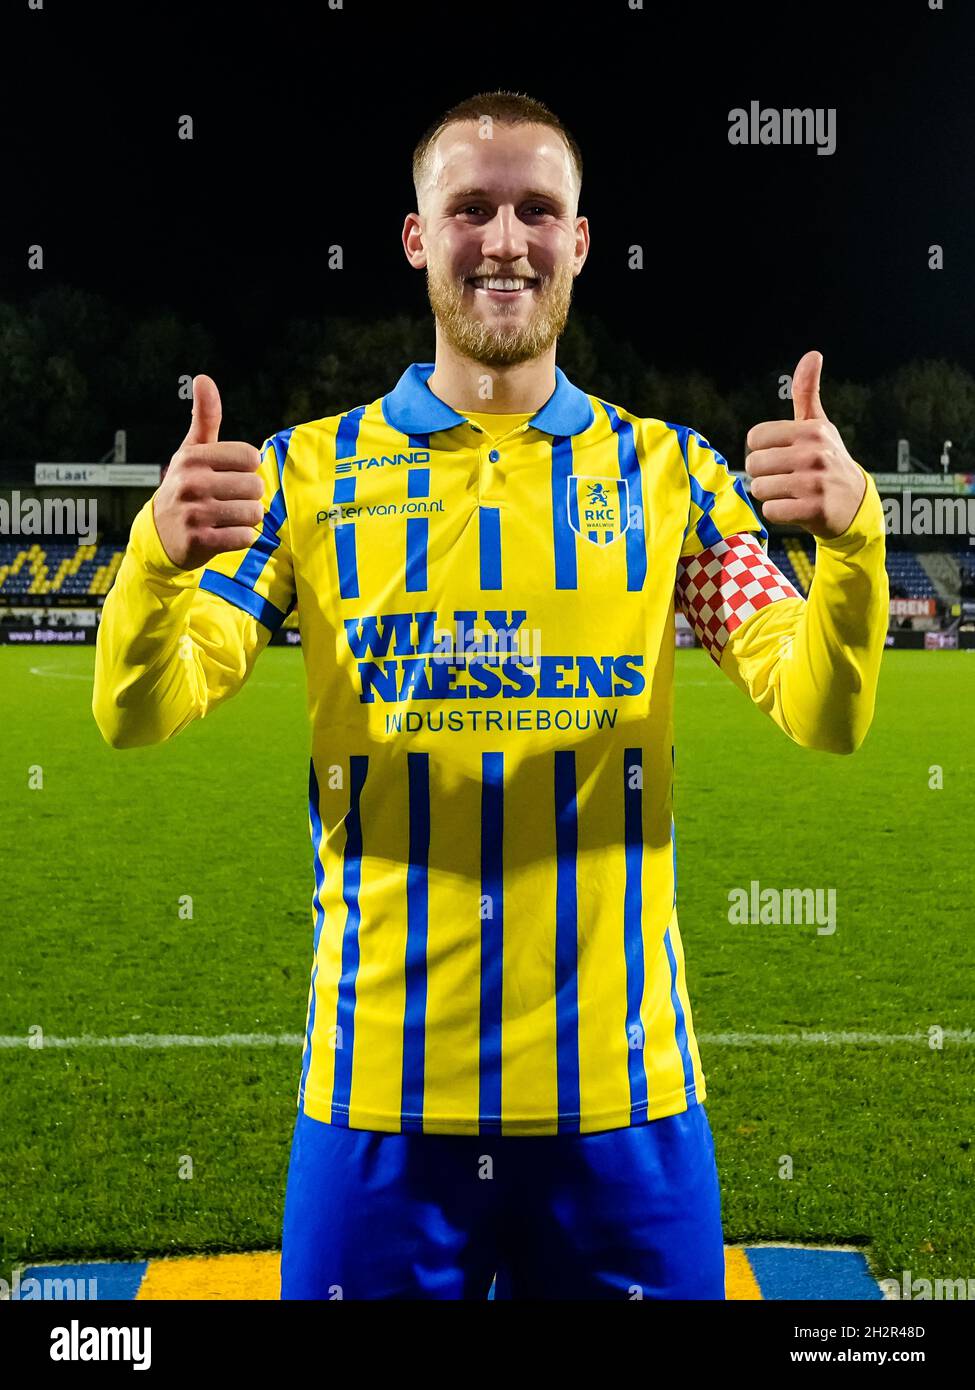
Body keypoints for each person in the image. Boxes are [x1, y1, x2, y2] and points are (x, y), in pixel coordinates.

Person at [93, 90, 888, 1300]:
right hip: (379, 1109)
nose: (505, 238)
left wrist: (855, 541)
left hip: (627, 1108)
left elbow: (822, 709)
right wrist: (154, 554)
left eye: (537, 210)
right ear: (418, 238)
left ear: (580, 241)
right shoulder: (305, 474)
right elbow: (138, 710)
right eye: (471, 208)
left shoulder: (675, 477)